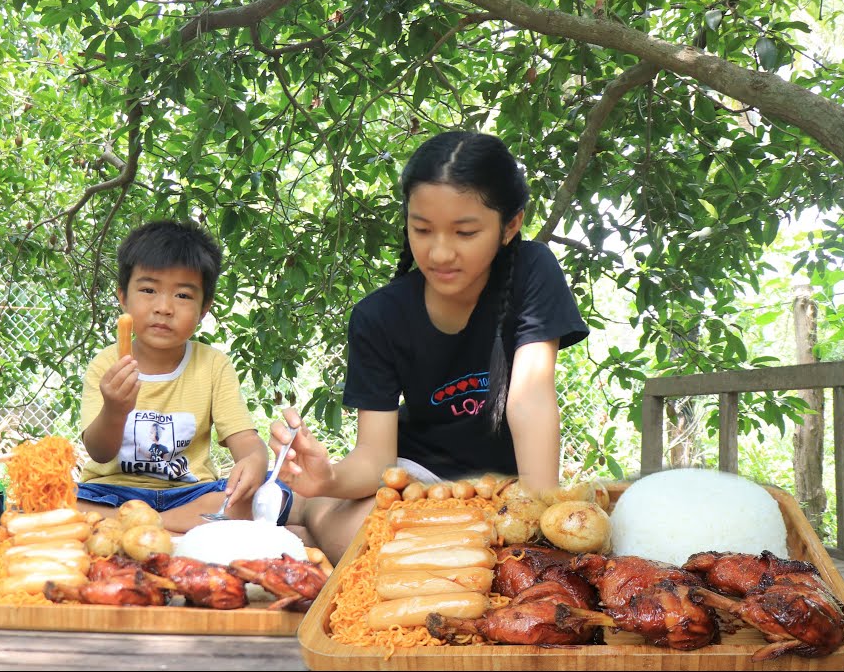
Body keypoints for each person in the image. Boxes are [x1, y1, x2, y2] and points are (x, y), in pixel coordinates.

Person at [268, 131, 589, 562]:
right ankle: (312, 505)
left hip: (503, 491)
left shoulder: (533, 270)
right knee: (373, 542)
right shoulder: (377, 316)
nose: (439, 253)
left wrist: (537, 521)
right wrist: (326, 480)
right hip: (414, 479)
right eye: (422, 229)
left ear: (510, 226)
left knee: (473, 552)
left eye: (465, 232)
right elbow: (375, 459)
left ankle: (314, 511)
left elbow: (530, 400)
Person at [77, 220, 289, 533]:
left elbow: (246, 440)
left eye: (183, 296)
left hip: (190, 495)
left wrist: (255, 461)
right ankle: (171, 527)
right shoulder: (106, 363)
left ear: (204, 308)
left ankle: (146, 526)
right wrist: (115, 409)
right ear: (123, 297)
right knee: (56, 500)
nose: (164, 308)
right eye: (148, 290)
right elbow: (99, 451)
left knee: (274, 493)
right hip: (111, 493)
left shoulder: (213, 365)